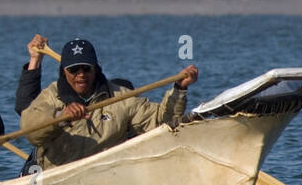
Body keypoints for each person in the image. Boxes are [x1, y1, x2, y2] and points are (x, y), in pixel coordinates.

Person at [21, 38, 196, 171]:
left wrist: (179, 89)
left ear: (95, 69)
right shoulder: (50, 96)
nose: (80, 74)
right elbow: (30, 130)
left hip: (108, 177)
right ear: (64, 72)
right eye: (74, 69)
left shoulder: (120, 97)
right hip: (58, 178)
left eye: (86, 68)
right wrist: (60, 117)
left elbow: (161, 123)